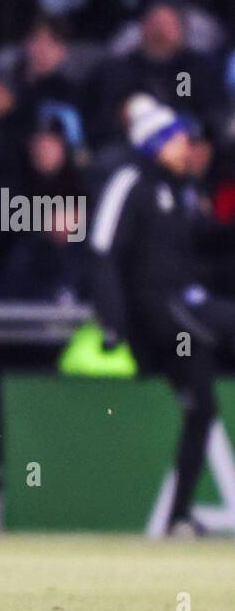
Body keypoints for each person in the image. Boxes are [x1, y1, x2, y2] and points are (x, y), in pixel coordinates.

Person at [88, 94, 235, 536]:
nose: (187, 147)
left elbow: (198, 247)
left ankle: (177, 518)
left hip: (184, 310)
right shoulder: (130, 182)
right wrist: (112, 321)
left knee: (202, 407)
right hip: (160, 312)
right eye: (176, 140)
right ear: (154, 143)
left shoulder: (179, 190)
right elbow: (102, 252)